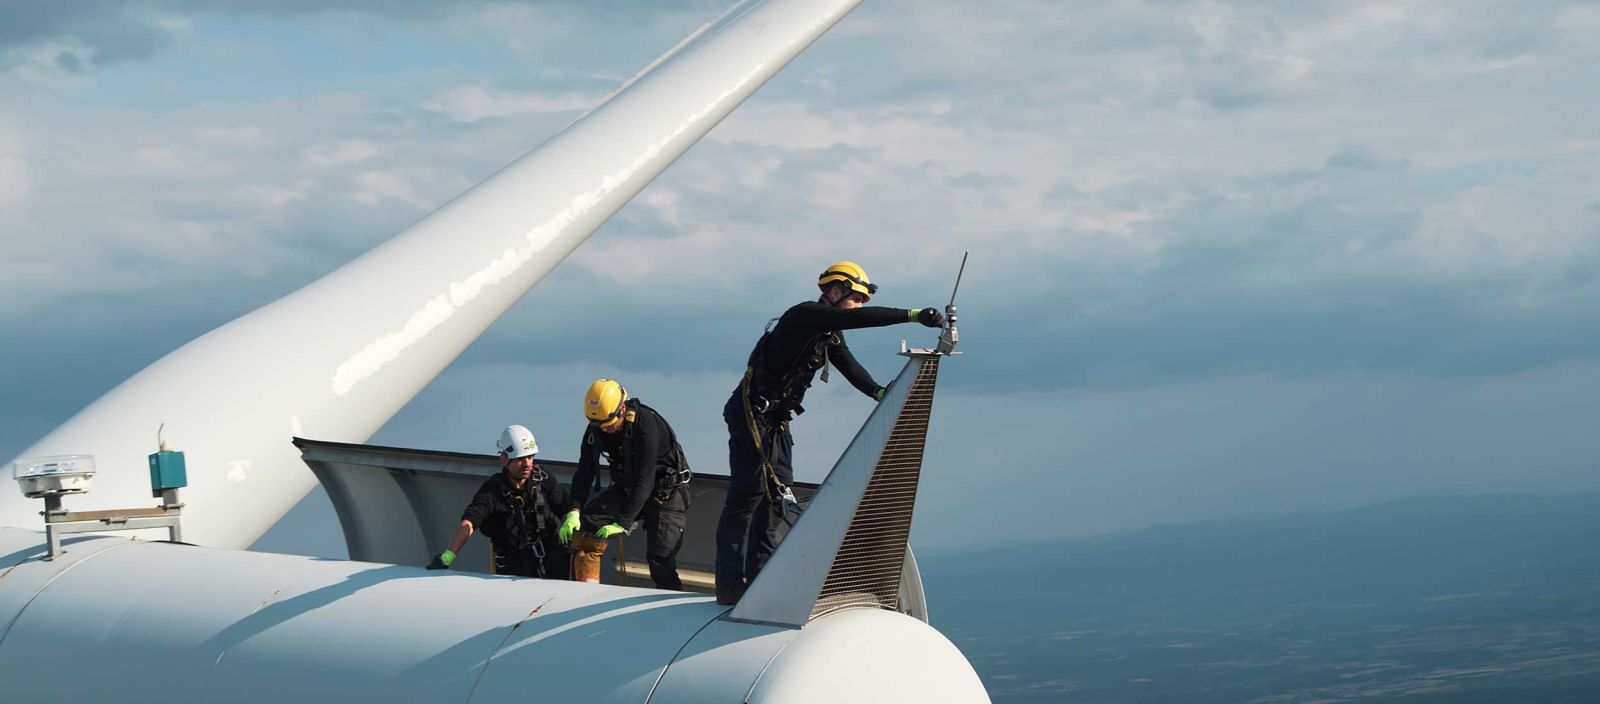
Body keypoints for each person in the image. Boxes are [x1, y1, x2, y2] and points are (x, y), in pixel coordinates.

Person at [714, 261, 945, 604]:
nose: (860, 305)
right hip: (753, 413)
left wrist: (880, 393)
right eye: (857, 298)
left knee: (776, 497)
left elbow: (849, 365)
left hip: (774, 420)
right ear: (835, 292)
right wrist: (913, 315)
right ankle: (731, 586)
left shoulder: (826, 333)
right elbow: (853, 320)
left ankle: (759, 577)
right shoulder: (805, 316)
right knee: (748, 494)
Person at [566, 379, 693, 590]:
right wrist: (574, 510)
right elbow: (584, 472)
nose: (604, 431)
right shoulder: (596, 429)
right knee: (585, 528)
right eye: (597, 426)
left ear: (622, 409)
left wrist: (622, 522)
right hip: (628, 488)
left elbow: (646, 478)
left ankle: (671, 608)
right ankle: (583, 591)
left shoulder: (645, 424)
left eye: (609, 425)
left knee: (660, 558)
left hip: (667, 492)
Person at [427, 424, 571, 579]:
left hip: (550, 555)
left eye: (530, 457)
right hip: (513, 565)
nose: (527, 464)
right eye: (520, 459)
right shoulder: (493, 490)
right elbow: (469, 523)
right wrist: (449, 555)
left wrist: (571, 520)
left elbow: (564, 508)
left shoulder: (543, 479)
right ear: (504, 459)